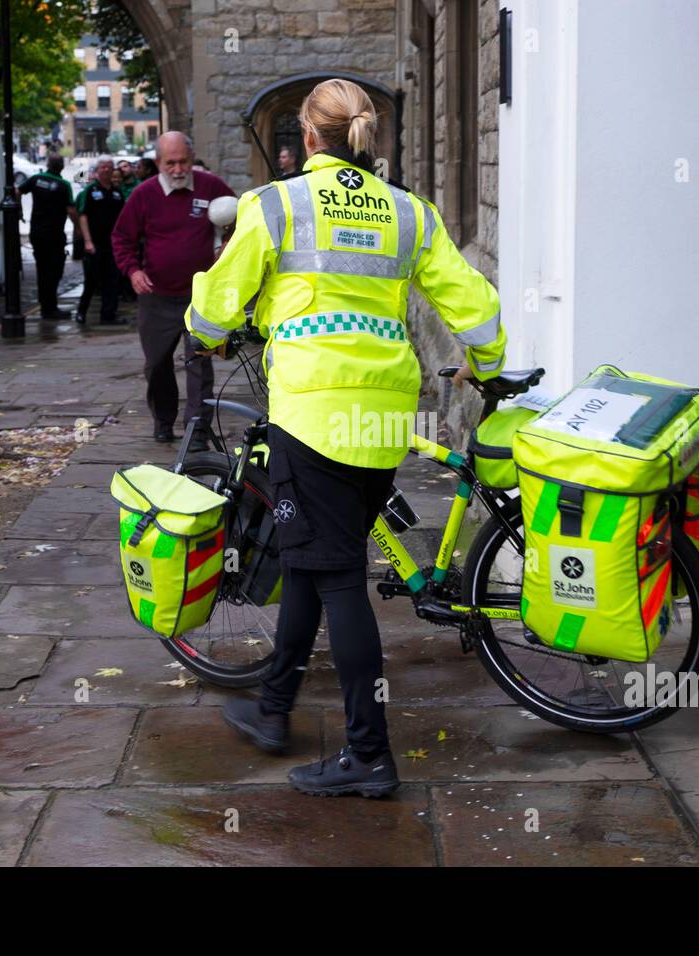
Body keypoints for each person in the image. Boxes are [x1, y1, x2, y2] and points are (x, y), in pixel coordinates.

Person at [187, 78, 506, 797]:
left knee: (336, 578)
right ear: (368, 139)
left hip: (313, 414)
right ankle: (274, 708)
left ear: (307, 139)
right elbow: (474, 303)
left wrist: (203, 335)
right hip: (383, 417)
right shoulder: (409, 213)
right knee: (310, 559)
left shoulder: (278, 203)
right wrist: (482, 365)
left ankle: (369, 754)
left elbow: (217, 300)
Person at [112, 132, 235, 446]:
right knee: (157, 364)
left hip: (200, 295)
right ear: (158, 163)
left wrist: (228, 246)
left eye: (183, 161)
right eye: (171, 163)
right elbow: (122, 238)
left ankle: (197, 430)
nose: (178, 169)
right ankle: (163, 420)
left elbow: (243, 221)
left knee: (199, 364)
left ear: (191, 159)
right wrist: (133, 270)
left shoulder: (211, 187)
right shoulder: (143, 194)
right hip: (157, 297)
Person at [16, 154, 78, 320]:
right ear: (62, 167)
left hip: (37, 233)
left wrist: (19, 210)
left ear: (48, 164)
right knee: (55, 270)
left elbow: (17, 191)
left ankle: (46, 306)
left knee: (42, 269)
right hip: (54, 234)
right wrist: (79, 227)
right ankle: (50, 308)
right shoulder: (64, 185)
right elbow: (71, 210)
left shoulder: (36, 179)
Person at [75, 156, 127, 326]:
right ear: (97, 170)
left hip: (113, 245)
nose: (106, 170)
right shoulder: (89, 191)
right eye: (103, 167)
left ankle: (108, 314)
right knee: (91, 280)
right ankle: (81, 311)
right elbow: (82, 216)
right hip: (95, 245)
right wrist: (88, 241)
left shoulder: (117, 193)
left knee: (112, 281)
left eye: (109, 167)